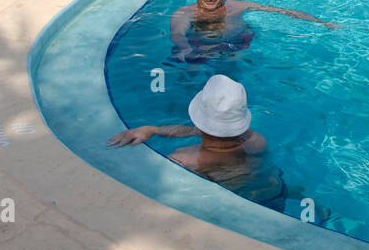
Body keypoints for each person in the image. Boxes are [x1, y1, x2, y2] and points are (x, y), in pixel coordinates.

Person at [106, 75, 283, 199]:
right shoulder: (257, 141)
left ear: (199, 120)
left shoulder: (182, 160)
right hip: (273, 192)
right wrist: (154, 129)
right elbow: (202, 132)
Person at [170, 0, 336, 60]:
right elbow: (178, 35)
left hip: (236, 43)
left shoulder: (238, 6)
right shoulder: (185, 13)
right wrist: (186, 50)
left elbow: (283, 11)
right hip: (201, 48)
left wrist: (322, 23)